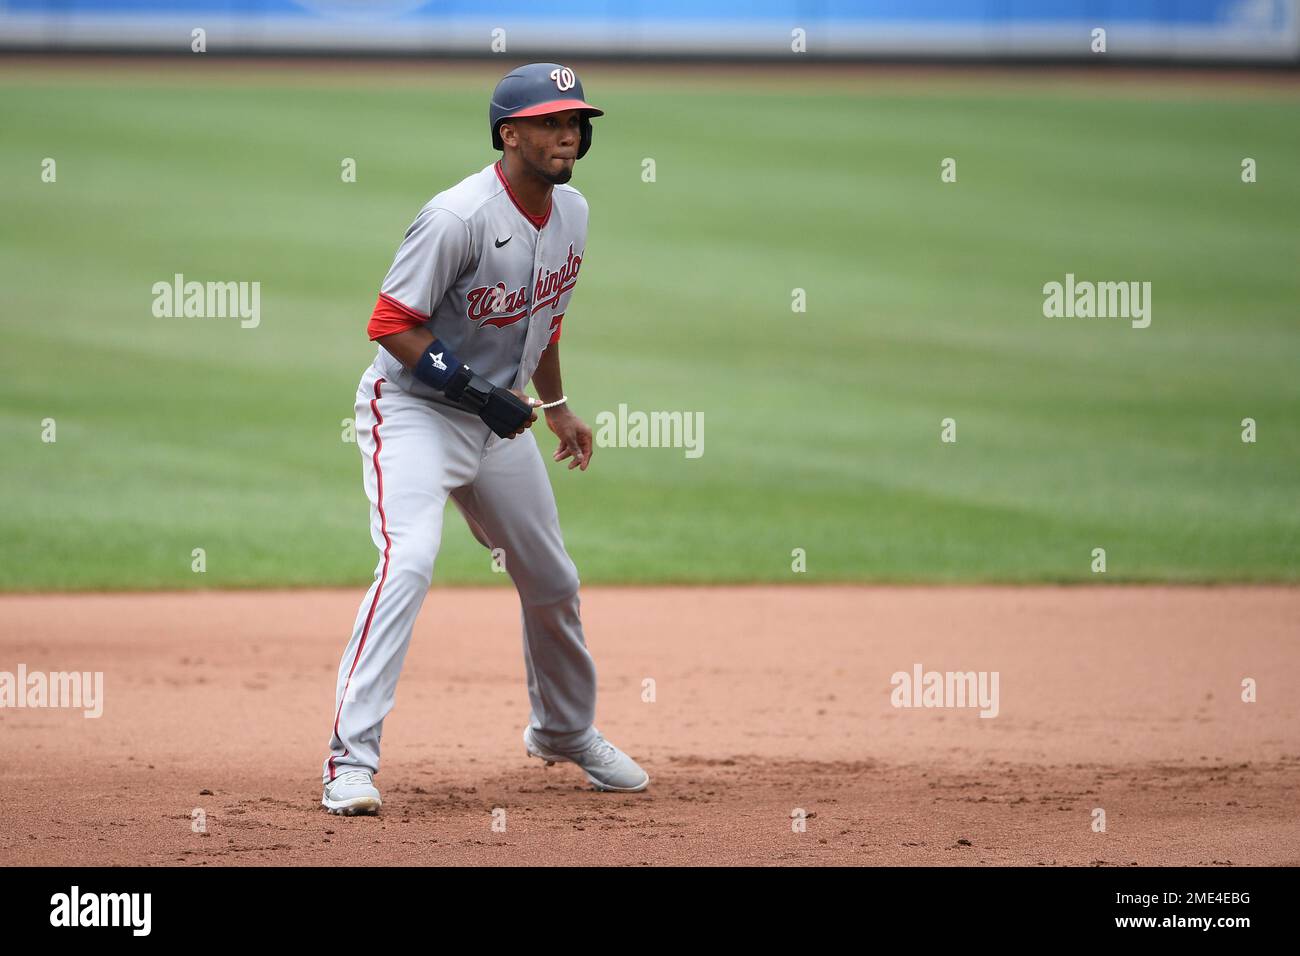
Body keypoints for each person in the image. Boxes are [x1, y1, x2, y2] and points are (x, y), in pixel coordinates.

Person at [320, 63, 649, 816]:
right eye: (550, 122)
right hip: (413, 415)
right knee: (409, 564)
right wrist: (475, 393)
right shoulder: (457, 217)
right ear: (509, 134)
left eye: (576, 122)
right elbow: (392, 323)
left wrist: (558, 405)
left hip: (500, 419)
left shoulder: (574, 213)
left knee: (553, 580)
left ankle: (563, 731)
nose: (568, 133)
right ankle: (349, 762)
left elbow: (545, 314)